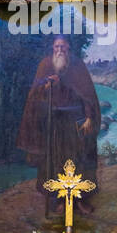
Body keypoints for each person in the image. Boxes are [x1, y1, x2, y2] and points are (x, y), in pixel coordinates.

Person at [16, 37, 101, 216]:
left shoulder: (77, 65)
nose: (60, 50)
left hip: (75, 123)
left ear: (68, 47)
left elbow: (87, 94)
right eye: (57, 46)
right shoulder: (45, 65)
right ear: (52, 48)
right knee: (55, 162)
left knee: (78, 160)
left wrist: (88, 117)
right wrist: (46, 86)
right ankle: (60, 201)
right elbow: (35, 94)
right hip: (53, 123)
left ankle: (79, 201)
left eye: (63, 46)